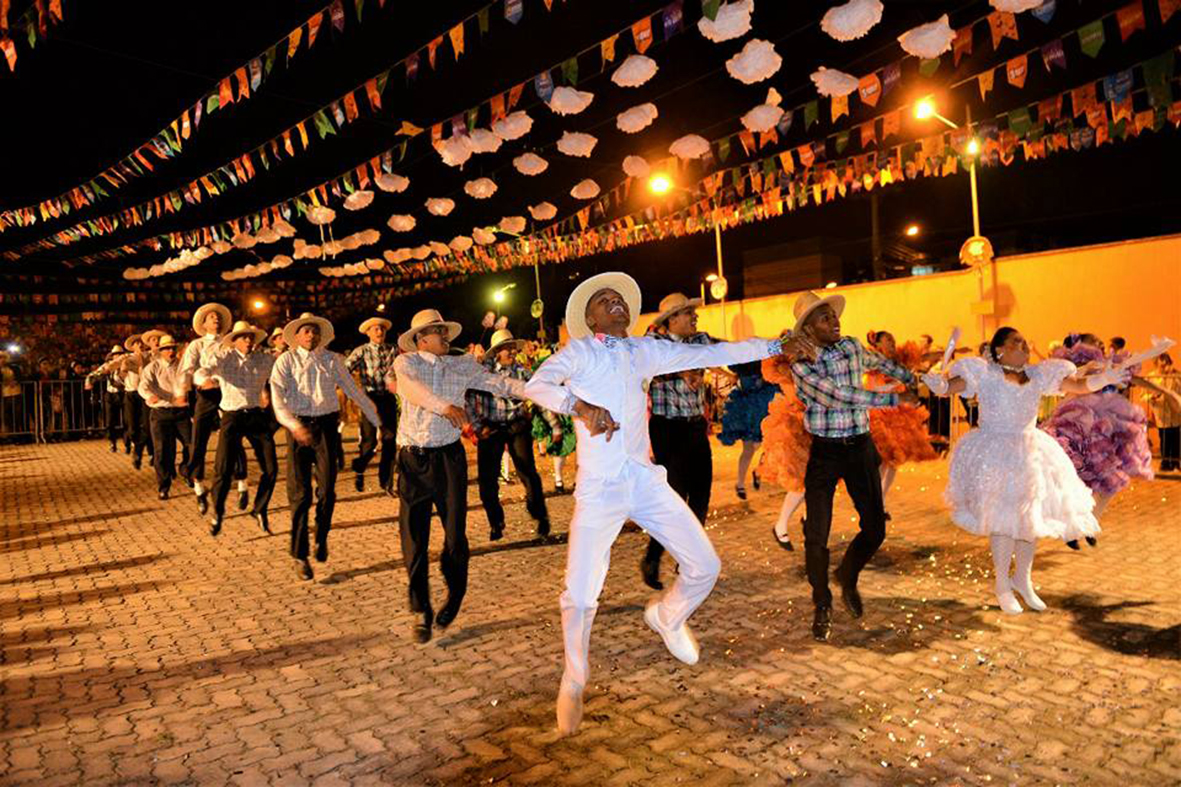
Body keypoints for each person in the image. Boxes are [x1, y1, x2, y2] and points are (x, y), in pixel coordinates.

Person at [523, 272, 795, 736]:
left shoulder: (642, 351)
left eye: (619, 300)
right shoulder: (581, 352)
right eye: (604, 301)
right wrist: (581, 407)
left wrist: (775, 347)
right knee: (581, 593)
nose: (615, 304)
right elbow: (537, 385)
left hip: (644, 479)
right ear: (589, 318)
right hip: (600, 488)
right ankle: (574, 678)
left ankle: (667, 616)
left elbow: (711, 353)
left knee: (706, 566)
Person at [923, 327, 1126, 613]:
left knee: (1029, 519)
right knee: (1003, 518)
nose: (1024, 346)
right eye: (1016, 342)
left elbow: (1077, 386)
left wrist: (1105, 379)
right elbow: (949, 387)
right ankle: (1002, 585)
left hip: (1030, 450)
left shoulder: (1038, 374)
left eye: (1024, 341)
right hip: (995, 451)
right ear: (999, 350)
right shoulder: (984, 373)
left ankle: (1022, 580)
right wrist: (939, 385)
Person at [788, 292, 921, 642]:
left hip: (860, 447)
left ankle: (847, 575)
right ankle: (822, 603)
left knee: (875, 528)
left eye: (834, 316)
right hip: (826, 453)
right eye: (824, 319)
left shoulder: (850, 345)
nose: (835, 322)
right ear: (808, 329)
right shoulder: (802, 364)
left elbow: (879, 363)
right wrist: (894, 398)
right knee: (816, 534)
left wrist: (911, 377)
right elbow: (837, 395)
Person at [392, 310, 530, 643]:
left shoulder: (463, 364)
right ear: (421, 339)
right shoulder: (407, 363)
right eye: (437, 331)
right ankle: (421, 609)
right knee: (414, 539)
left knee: (455, 536)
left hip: (449, 459)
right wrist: (445, 407)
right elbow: (410, 390)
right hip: (413, 459)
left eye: (444, 329)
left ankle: (455, 594)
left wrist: (546, 390)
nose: (445, 335)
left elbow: (500, 383)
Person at [270, 313, 383, 581]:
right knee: (300, 496)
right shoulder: (286, 360)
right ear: (296, 336)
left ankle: (321, 536)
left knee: (328, 490)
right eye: (306, 331)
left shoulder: (333, 360)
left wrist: (375, 416)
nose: (310, 335)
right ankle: (300, 554)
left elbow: (352, 390)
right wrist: (293, 426)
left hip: (326, 429)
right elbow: (277, 396)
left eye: (314, 331)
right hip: (298, 427)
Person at [1043, 333, 1175, 546]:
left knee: (1110, 482)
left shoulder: (1112, 365)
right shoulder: (1078, 369)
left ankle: (1090, 524)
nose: (1100, 346)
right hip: (1083, 430)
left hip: (1107, 430)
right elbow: (1072, 389)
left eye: (1100, 343)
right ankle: (1070, 529)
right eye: (1095, 343)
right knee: (1079, 482)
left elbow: (1134, 376)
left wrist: (1165, 390)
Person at [639, 292, 714, 591]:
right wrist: (678, 369)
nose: (695, 317)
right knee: (673, 499)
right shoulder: (653, 346)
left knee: (701, 496)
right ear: (671, 320)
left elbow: (721, 353)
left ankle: (690, 557)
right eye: (687, 314)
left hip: (696, 427)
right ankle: (653, 556)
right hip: (668, 430)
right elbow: (647, 370)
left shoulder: (701, 340)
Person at [466, 328, 553, 541]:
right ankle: (496, 522)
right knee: (487, 480)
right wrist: (477, 426)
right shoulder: (481, 372)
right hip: (491, 428)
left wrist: (554, 424)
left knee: (528, 472)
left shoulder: (522, 372)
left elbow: (540, 395)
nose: (513, 351)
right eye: (508, 348)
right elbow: (466, 398)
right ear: (497, 352)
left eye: (513, 347)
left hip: (517, 425)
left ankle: (540, 515)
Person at [199, 322, 278, 536]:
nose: (249, 341)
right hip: (232, 417)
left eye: (251, 337)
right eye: (243, 337)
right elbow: (205, 365)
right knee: (223, 470)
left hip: (255, 416)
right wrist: (205, 377)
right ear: (234, 341)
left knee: (271, 469)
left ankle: (260, 509)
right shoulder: (225, 358)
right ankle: (218, 512)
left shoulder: (264, 359)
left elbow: (282, 370)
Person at [181, 303, 248, 516]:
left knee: (233, 438)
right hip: (206, 393)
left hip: (229, 392)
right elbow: (188, 368)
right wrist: (202, 381)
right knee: (198, 438)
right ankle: (199, 487)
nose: (216, 319)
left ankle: (242, 484)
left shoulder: (231, 342)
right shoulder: (197, 345)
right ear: (203, 324)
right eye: (211, 317)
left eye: (218, 316)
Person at [864, 331, 939, 515]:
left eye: (893, 339)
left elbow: (919, 357)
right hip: (879, 415)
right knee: (882, 461)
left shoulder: (898, 360)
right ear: (878, 344)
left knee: (895, 461)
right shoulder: (872, 361)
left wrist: (936, 354)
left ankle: (880, 501)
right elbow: (871, 387)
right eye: (887, 340)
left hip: (898, 415)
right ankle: (873, 502)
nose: (891, 343)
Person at [758, 345, 812, 551]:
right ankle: (781, 524)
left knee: (815, 479)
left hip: (815, 425)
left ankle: (808, 518)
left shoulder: (810, 362)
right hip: (795, 426)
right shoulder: (783, 368)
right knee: (800, 481)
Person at [345, 317, 400, 495]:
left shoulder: (393, 349)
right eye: (375, 329)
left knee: (389, 440)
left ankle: (387, 483)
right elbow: (344, 371)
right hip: (370, 399)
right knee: (369, 443)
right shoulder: (361, 351)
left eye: (382, 329)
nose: (379, 332)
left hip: (389, 399)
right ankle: (360, 466)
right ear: (368, 332)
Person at [137, 335, 194, 500]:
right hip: (160, 413)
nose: (170, 351)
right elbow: (143, 385)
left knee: (191, 444)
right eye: (166, 348)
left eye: (172, 348)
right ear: (160, 351)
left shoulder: (183, 367)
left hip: (181, 413)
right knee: (162, 451)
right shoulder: (153, 367)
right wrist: (149, 396)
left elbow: (191, 385)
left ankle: (186, 470)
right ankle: (164, 485)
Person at [717, 358, 777, 499]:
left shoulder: (764, 356)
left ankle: (758, 471)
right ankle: (740, 483)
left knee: (770, 445)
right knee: (749, 448)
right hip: (748, 407)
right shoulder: (740, 359)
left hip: (764, 405)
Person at [1146, 353, 1181, 471]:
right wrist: (1152, 397)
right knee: (1165, 437)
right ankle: (1165, 462)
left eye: (1166, 361)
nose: (1164, 364)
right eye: (1161, 362)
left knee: (1176, 436)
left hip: (1175, 412)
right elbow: (1144, 395)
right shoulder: (1151, 377)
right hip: (1161, 412)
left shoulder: (1176, 375)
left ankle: (1176, 461)